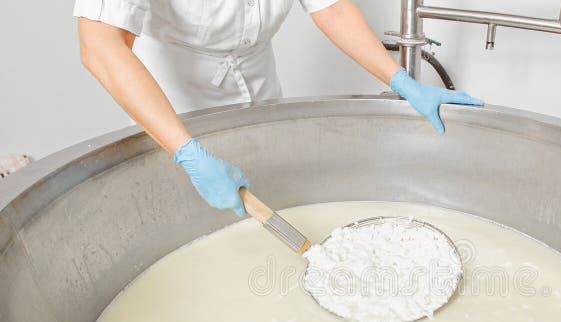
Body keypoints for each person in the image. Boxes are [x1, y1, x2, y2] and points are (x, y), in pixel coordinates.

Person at [74, 0, 483, 216]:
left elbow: (332, 6)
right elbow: (100, 47)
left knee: (265, 213)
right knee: (186, 223)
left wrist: (401, 81)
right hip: (174, 107)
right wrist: (186, 151)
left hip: (258, 88)